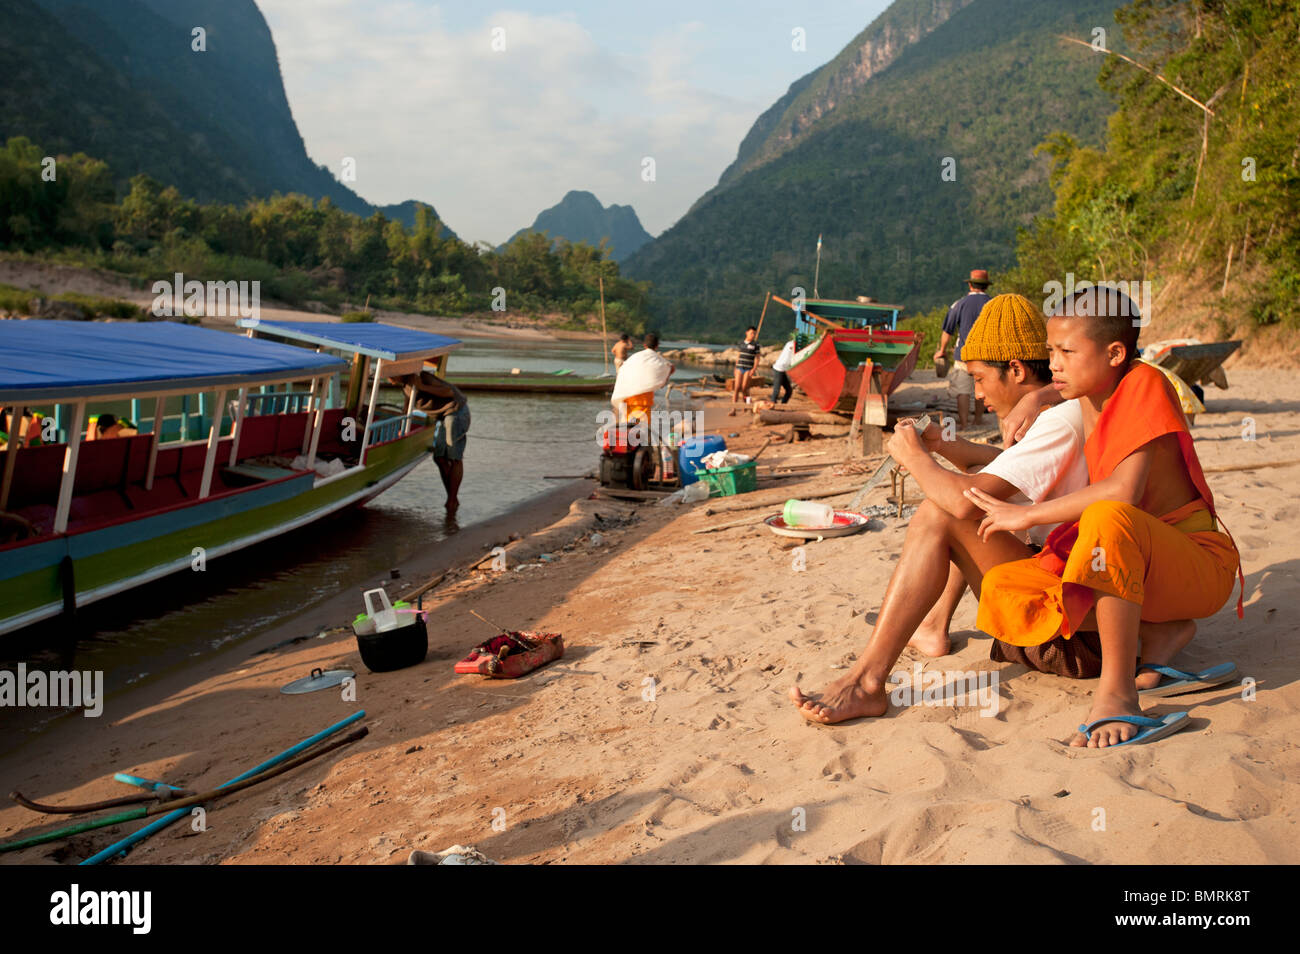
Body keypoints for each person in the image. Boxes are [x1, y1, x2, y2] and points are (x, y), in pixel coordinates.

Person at [789, 293, 1194, 725]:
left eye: (980, 379)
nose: (978, 392)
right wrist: (948, 445)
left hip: (1077, 638)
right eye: (1052, 352)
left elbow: (966, 499)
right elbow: (1002, 468)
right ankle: (927, 629)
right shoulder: (1078, 405)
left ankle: (870, 680)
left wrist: (915, 459)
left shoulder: (1060, 420)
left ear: (1016, 370)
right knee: (966, 511)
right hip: (1096, 607)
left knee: (943, 514)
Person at [965, 287, 1242, 748]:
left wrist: (1025, 515)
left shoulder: (1145, 384)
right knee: (1004, 587)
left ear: (1115, 353)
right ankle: (1159, 633)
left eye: (1067, 352)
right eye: (1051, 351)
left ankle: (1118, 693)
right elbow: (1063, 387)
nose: (1053, 364)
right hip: (1139, 569)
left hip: (1197, 564)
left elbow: (1122, 491)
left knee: (1108, 514)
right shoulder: (1089, 392)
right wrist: (1038, 398)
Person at [394, 371, 470, 513]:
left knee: (454, 458)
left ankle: (452, 501)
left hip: (456, 412)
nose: (389, 378)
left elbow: (448, 392)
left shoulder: (422, 377)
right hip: (442, 417)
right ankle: (452, 499)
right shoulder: (405, 385)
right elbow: (407, 408)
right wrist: (402, 428)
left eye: (391, 375)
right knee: (439, 457)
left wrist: (422, 386)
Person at [935, 269, 992, 428]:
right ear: (986, 286)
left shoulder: (959, 304)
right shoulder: (993, 303)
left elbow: (948, 330)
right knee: (981, 387)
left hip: (963, 356)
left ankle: (964, 423)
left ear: (970, 284)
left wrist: (942, 350)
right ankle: (978, 419)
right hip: (986, 356)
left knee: (963, 390)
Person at [611, 333, 674, 426]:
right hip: (642, 401)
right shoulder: (657, 358)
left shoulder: (634, 357)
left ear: (644, 345)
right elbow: (671, 368)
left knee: (628, 426)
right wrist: (664, 380)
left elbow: (622, 371)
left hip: (627, 397)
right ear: (657, 346)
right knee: (640, 429)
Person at [729, 326, 761, 417]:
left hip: (748, 368)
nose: (753, 335)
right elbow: (738, 356)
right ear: (746, 333)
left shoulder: (756, 345)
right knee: (737, 388)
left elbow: (757, 358)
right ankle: (733, 409)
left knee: (744, 388)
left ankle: (747, 406)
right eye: (751, 333)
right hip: (740, 367)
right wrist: (735, 368)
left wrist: (753, 369)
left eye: (754, 333)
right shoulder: (741, 343)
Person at [770, 335, 797, 404]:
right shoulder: (790, 344)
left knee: (789, 390)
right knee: (776, 390)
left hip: (782, 370)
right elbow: (791, 347)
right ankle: (771, 405)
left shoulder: (790, 344)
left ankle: (783, 405)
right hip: (778, 369)